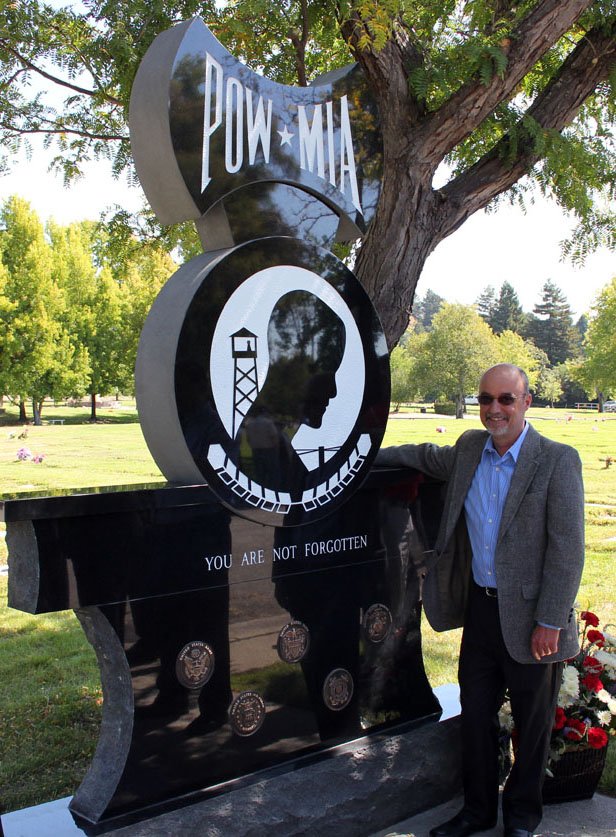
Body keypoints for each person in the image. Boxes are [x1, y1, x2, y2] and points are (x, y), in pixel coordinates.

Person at [376, 363, 584, 837]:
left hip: (535, 619)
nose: (494, 409)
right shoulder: (470, 449)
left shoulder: (556, 461)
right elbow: (423, 455)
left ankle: (522, 819)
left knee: (531, 729)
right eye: (486, 399)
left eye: (506, 399)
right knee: (475, 719)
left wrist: (550, 620)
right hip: (481, 611)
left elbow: (567, 552)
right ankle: (476, 813)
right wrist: (358, 457)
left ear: (526, 402)